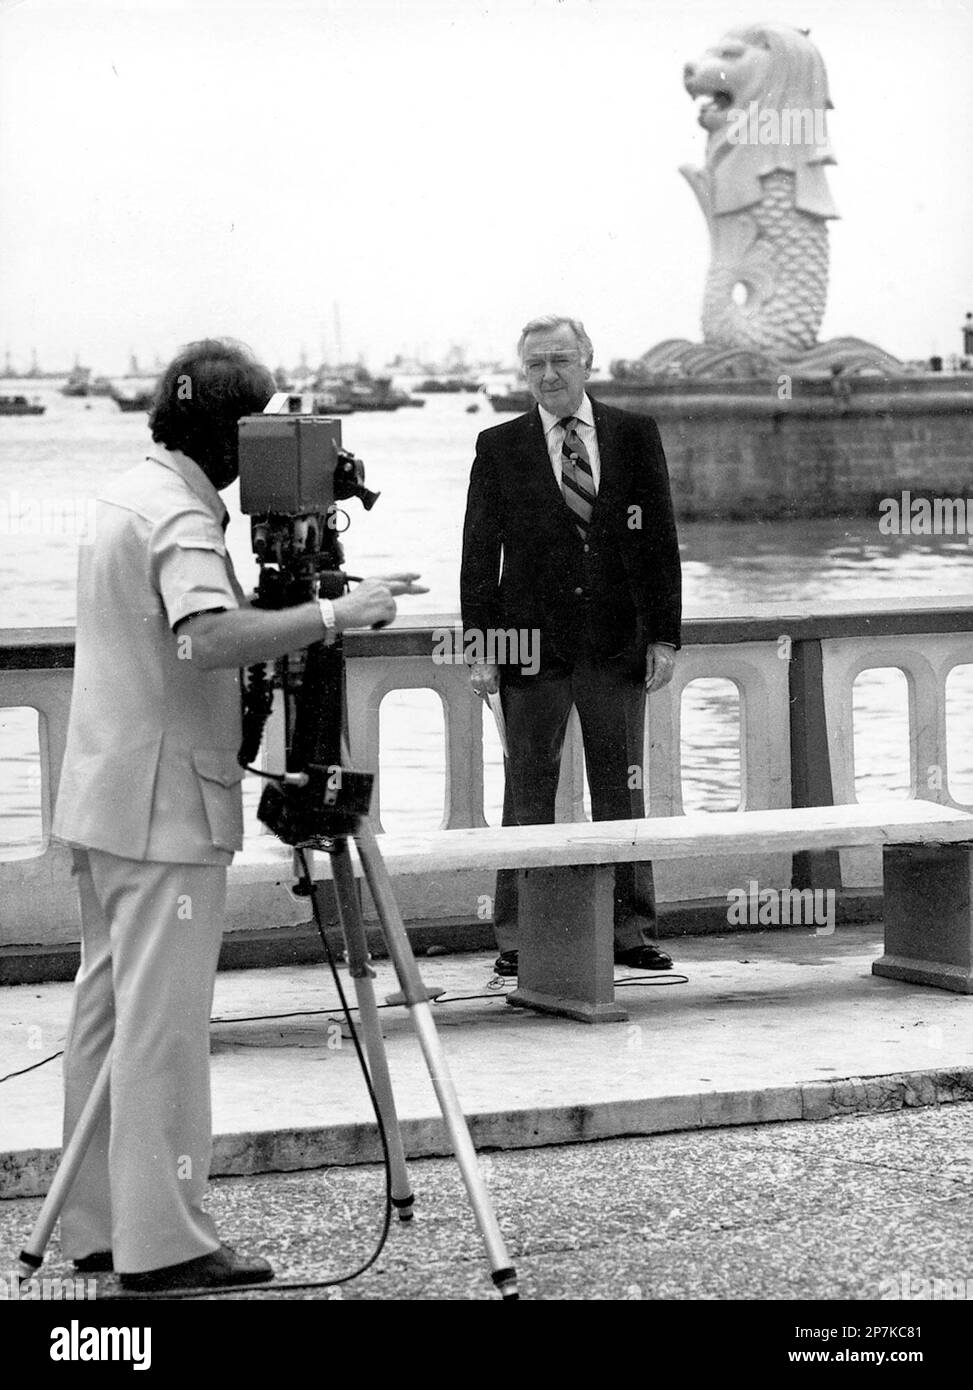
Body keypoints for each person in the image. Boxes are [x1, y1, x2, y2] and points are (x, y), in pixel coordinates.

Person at [52, 338, 424, 1292]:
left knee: (108, 1020)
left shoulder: (125, 492)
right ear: (231, 431)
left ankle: (97, 1226)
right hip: (163, 811)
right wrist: (340, 615)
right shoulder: (177, 513)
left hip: (106, 799)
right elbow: (209, 640)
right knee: (162, 1033)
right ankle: (165, 1244)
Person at [460, 314, 681, 977]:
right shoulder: (497, 445)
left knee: (621, 787)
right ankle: (517, 936)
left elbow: (658, 540)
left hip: (616, 644)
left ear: (587, 361)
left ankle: (628, 930)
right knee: (527, 789)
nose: (548, 374)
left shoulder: (633, 435)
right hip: (528, 646)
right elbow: (478, 555)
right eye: (534, 364)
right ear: (521, 371)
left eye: (560, 360)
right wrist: (479, 647)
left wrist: (665, 636)